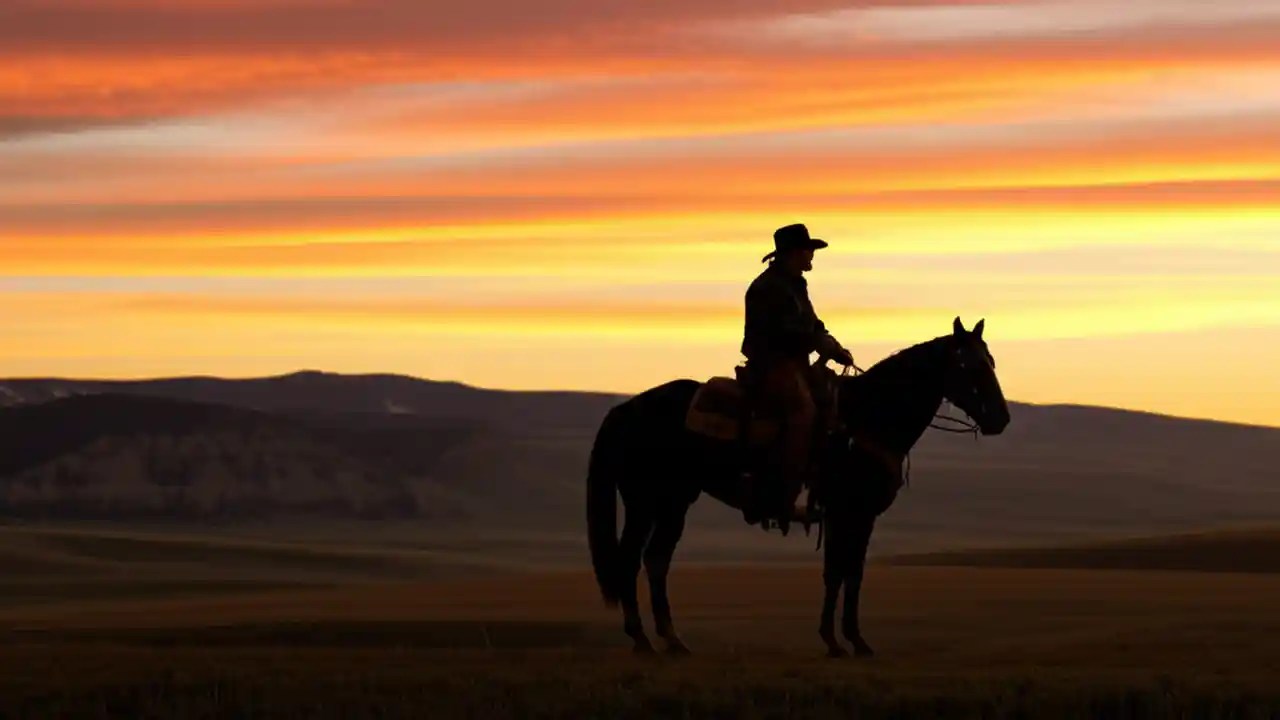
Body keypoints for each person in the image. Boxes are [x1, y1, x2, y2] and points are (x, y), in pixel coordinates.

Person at [741, 223, 854, 534]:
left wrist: (832, 345)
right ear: (793, 253)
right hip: (772, 364)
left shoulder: (795, 285)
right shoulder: (767, 287)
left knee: (835, 401)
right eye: (808, 250)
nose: (811, 256)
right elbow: (785, 332)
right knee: (803, 412)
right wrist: (821, 344)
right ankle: (782, 496)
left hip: (796, 362)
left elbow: (813, 325)